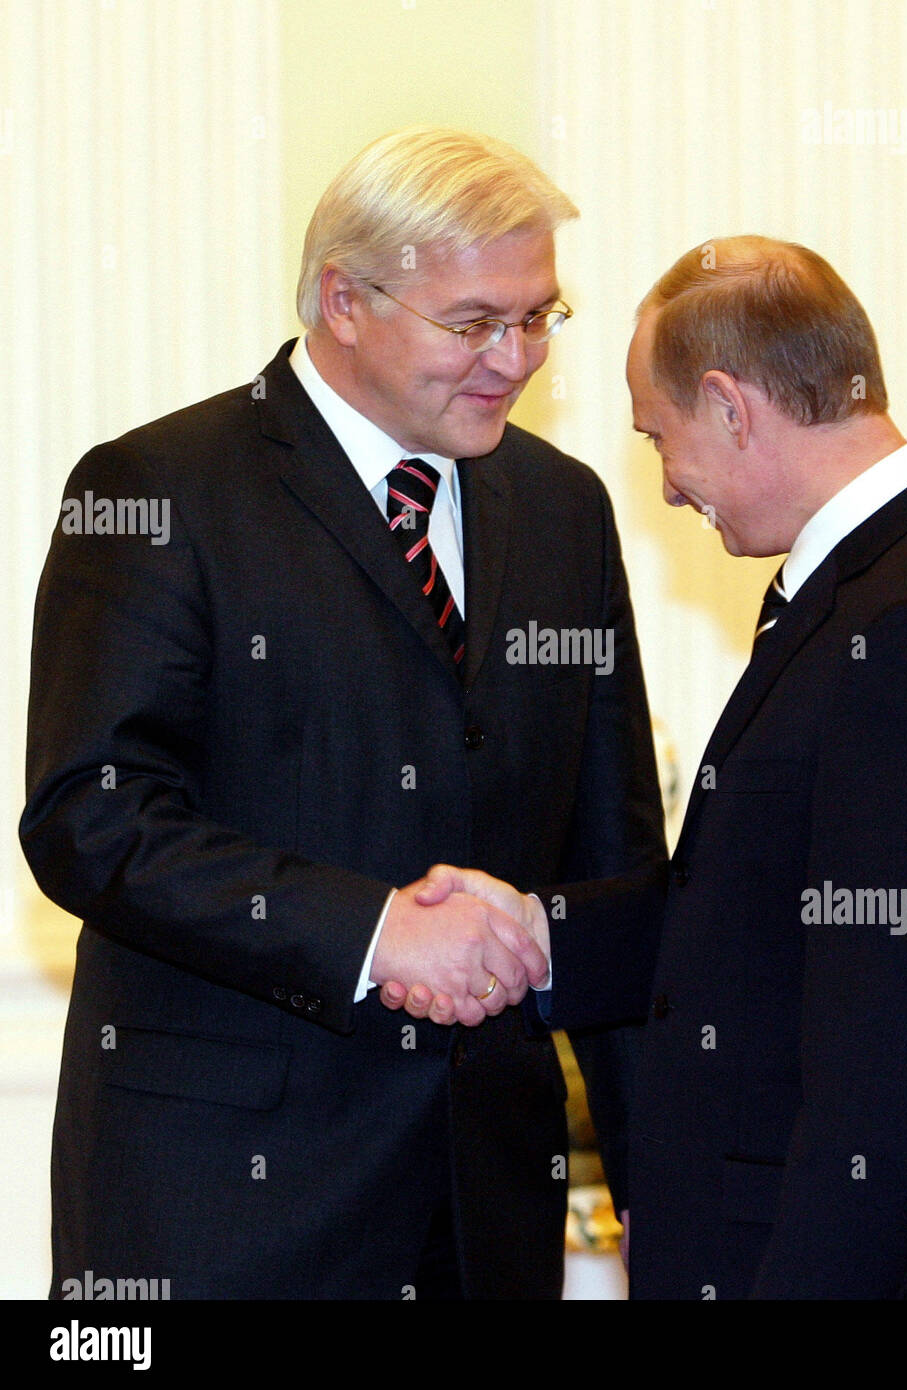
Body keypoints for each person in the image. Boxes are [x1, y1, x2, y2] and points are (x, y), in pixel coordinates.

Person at [20, 127, 665, 1300]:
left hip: (487, 1211)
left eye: (538, 318)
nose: (514, 359)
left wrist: (661, 1203)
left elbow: (616, 859)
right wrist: (372, 930)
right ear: (343, 300)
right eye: (473, 322)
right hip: (220, 1215)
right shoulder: (157, 490)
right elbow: (91, 820)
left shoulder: (566, 510)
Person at [406, 235, 907, 1299]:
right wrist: (541, 933)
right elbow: (763, 911)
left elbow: (894, 1073)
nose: (671, 487)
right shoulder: (886, 587)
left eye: (659, 436)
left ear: (731, 406)